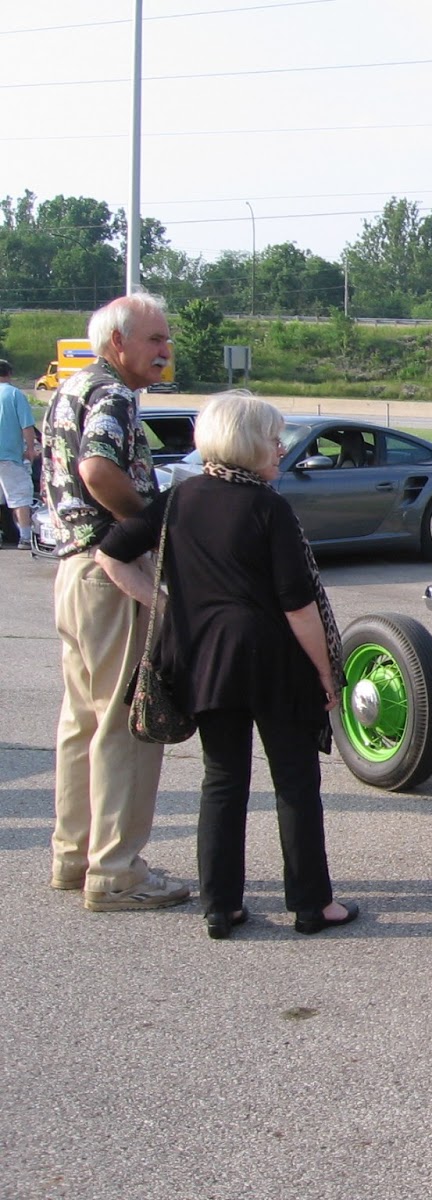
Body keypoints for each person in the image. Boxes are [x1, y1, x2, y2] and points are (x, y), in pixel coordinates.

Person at [95, 390, 360, 940]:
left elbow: (111, 552)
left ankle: (221, 907)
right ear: (248, 444)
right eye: (272, 439)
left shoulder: (182, 497)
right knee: (294, 781)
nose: (280, 449)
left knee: (222, 780)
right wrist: (326, 672)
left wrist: (163, 602)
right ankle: (312, 906)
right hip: (274, 662)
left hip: (205, 662)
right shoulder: (269, 507)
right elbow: (298, 603)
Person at [40, 293, 189, 910]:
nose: (165, 350)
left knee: (83, 718)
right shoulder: (113, 395)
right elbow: (99, 469)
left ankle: (74, 854)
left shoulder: (71, 389)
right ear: (118, 343)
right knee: (129, 719)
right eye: (155, 339)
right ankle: (116, 870)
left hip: (73, 572)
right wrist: (142, 528)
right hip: (109, 570)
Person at [0, 360, 38, 549]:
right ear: (9, 373)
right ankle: (25, 537)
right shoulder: (14, 394)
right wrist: (31, 449)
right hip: (9, 454)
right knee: (20, 496)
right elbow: (26, 425)